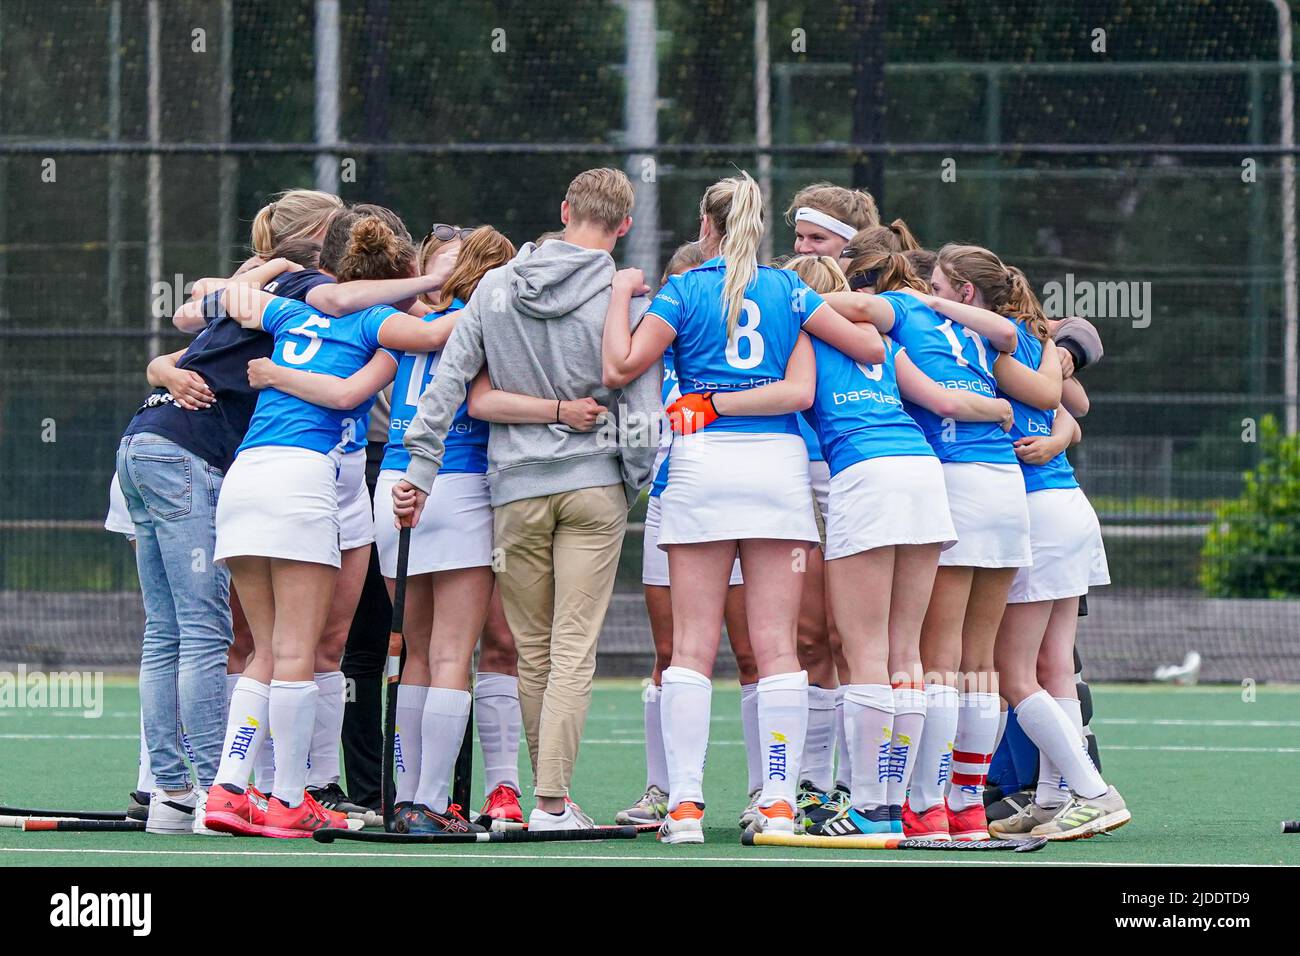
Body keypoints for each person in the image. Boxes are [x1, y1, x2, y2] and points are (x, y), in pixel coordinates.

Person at [602, 171, 888, 844]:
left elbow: (619, 366)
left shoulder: (682, 289)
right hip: (777, 472)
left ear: (706, 227)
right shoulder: (790, 288)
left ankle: (685, 807)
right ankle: (780, 803)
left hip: (702, 466)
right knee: (778, 647)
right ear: (760, 230)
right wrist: (810, 329)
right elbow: (870, 348)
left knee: (691, 649)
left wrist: (620, 295)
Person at [393, 168, 662, 832]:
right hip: (593, 483)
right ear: (623, 226)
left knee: (534, 648)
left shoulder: (495, 285)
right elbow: (640, 409)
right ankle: (549, 802)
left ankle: (549, 799)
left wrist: (420, 471)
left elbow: (448, 384)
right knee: (572, 647)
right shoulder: (621, 292)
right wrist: (631, 478)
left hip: (513, 489)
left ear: (565, 208)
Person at [204, 212, 470, 837]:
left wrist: (265, 273)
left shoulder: (291, 312)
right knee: (297, 651)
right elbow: (431, 341)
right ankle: (290, 798)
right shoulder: (377, 322)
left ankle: (227, 789)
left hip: (244, 479)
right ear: (399, 273)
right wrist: (498, 292)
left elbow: (208, 303)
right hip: (300, 484)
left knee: (265, 651)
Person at [781, 255, 1011, 837]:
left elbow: (790, 395)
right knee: (906, 656)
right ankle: (916, 806)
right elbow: (939, 398)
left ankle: (868, 805)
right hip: (924, 473)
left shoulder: (801, 336)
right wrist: (1001, 409)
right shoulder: (885, 338)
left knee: (865, 657)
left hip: (867, 475)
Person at [614, 241, 765, 829]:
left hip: (738, 502)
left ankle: (761, 792)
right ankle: (665, 789)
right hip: (670, 507)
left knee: (753, 654)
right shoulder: (654, 347)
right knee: (670, 655)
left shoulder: (739, 353)